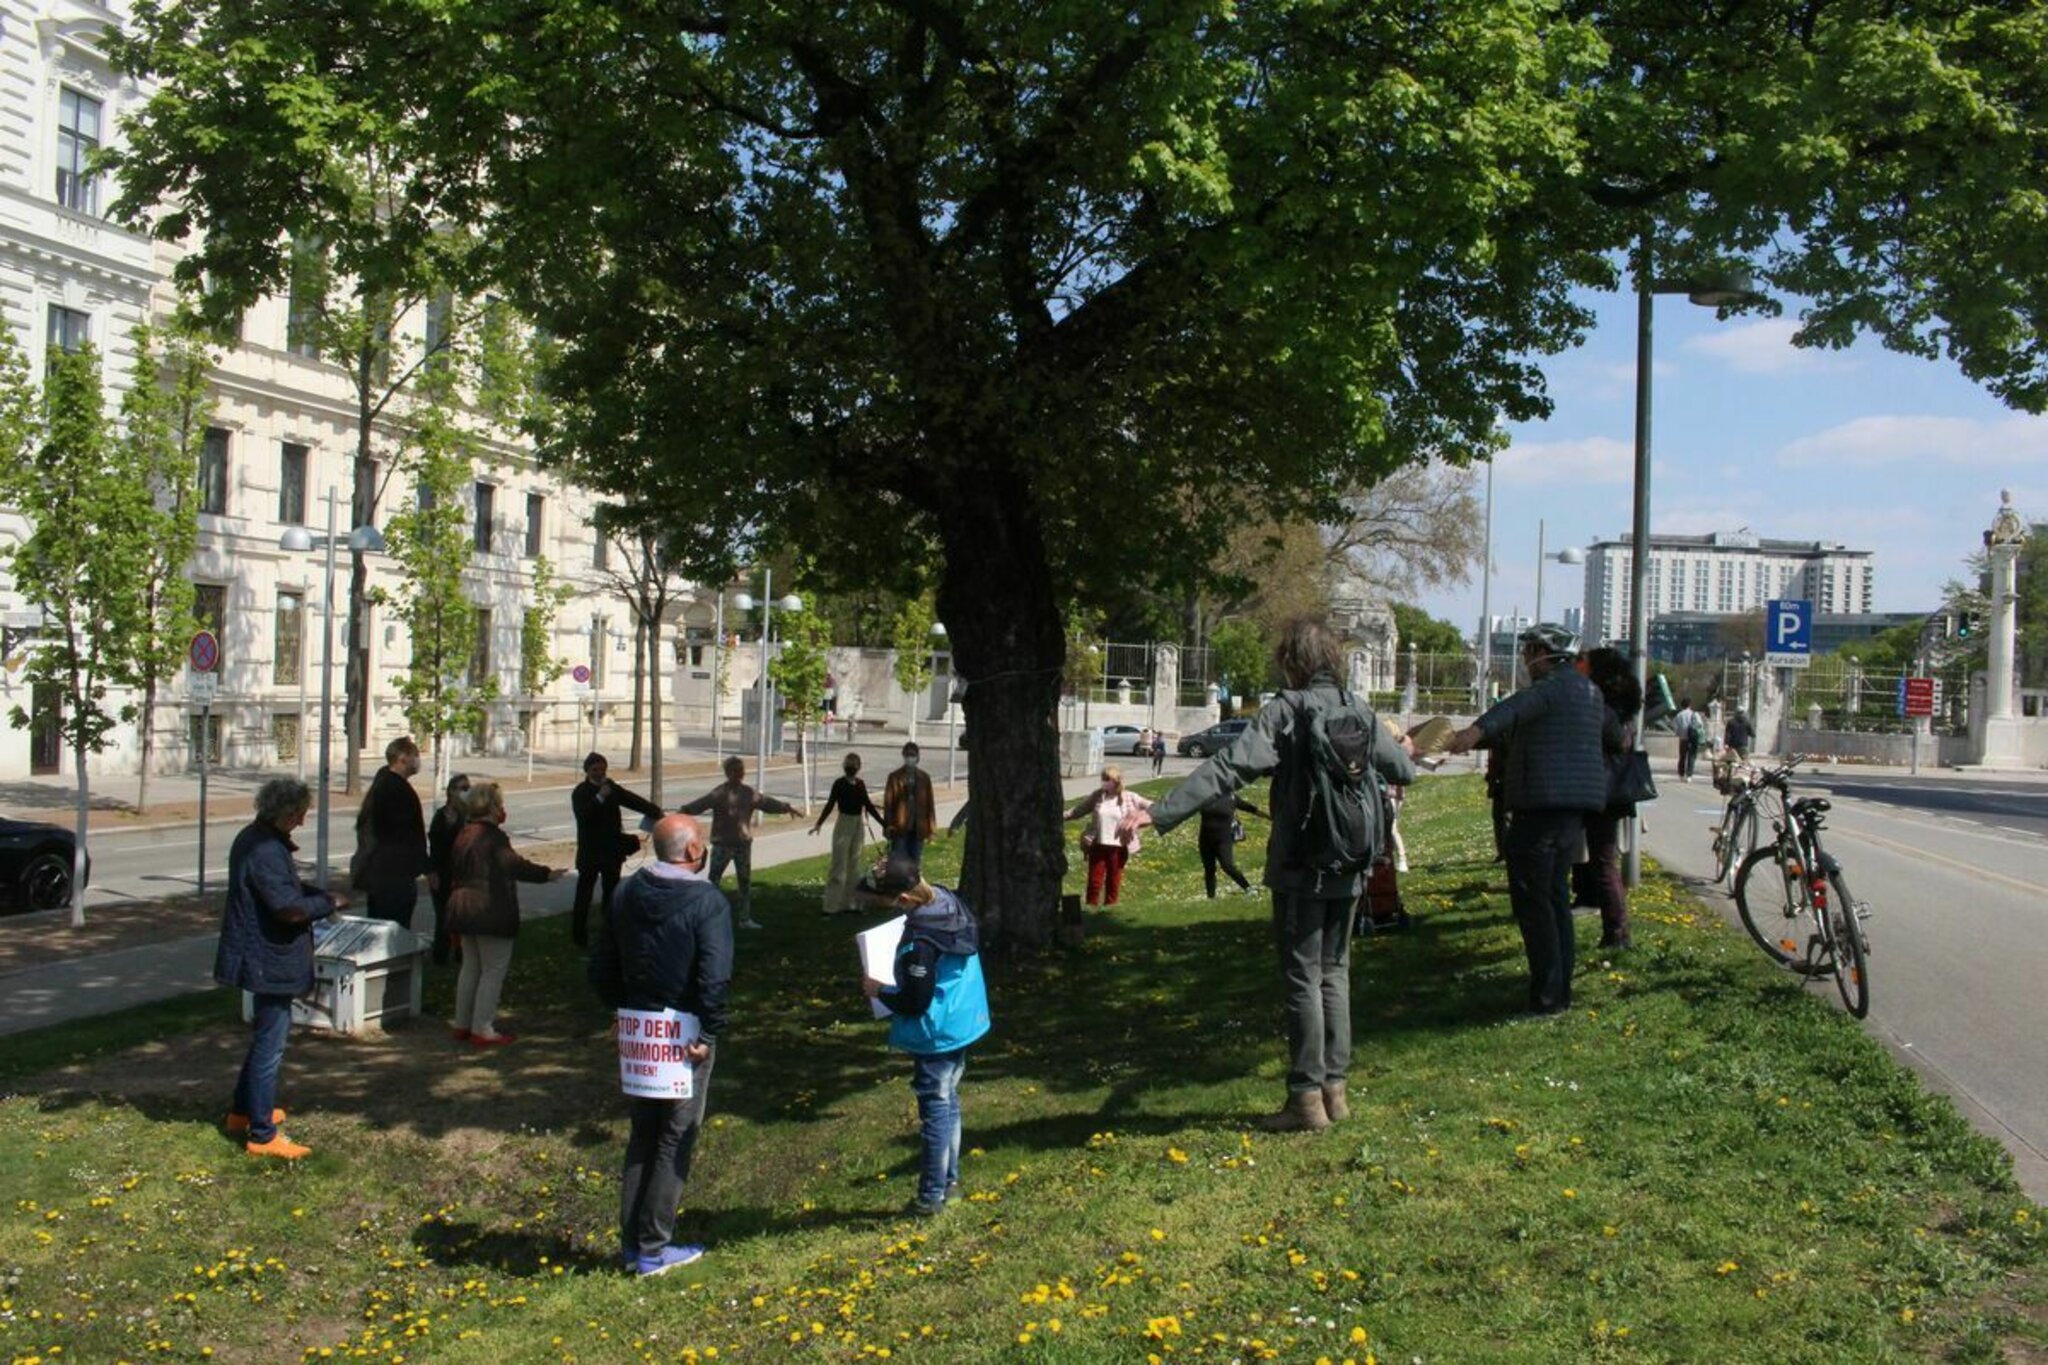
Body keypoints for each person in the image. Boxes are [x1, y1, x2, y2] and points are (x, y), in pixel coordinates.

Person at [1150, 616, 1415, 1132]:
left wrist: (1161, 812)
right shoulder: (1357, 708)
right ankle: (1335, 1092)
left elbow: (1228, 769)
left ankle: (1304, 1100)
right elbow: (1401, 770)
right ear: (1334, 661)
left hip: (1301, 864)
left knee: (1303, 977)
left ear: (1292, 661)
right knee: (1335, 972)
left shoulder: (1286, 710)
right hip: (1353, 863)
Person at [590, 814, 733, 1277]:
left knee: (643, 1135)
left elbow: (601, 963)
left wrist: (620, 1010)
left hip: (640, 1031)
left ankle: (634, 1245)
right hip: (684, 1033)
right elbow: (715, 976)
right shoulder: (707, 901)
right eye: (703, 844)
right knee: (675, 1135)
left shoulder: (625, 892)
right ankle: (653, 1248)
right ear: (692, 852)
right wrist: (709, 1034)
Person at [1445, 624, 1609, 1017]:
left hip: (1541, 805)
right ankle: (1559, 992)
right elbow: (1612, 733)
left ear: (1542, 652)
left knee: (1534, 902)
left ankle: (1547, 998)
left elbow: (1513, 709)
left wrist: (1473, 732)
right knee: (1554, 898)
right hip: (1574, 809)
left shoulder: (1550, 687)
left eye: (1528, 651)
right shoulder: (1590, 692)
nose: (1524, 660)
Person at [213, 777, 346, 1159]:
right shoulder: (266, 849)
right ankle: (262, 1133)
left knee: (264, 1039)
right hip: (267, 956)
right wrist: (327, 903)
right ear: (285, 814)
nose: (302, 823)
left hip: (263, 954)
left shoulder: (256, 838)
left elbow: (286, 890)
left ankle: (243, 1111)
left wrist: (316, 896)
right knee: (271, 1045)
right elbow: (286, 908)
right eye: (300, 815)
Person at [860, 853, 992, 1216]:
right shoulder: (947, 901)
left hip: (937, 1031)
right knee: (948, 1101)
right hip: (961, 1020)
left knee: (935, 1108)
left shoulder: (922, 938)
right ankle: (949, 1182)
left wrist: (879, 990)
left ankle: (931, 1196)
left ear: (904, 900)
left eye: (886, 902)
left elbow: (914, 1000)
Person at [445, 780, 566, 1045]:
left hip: (463, 907)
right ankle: (483, 1028)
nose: (502, 809)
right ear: (490, 807)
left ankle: (463, 1023)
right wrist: (546, 874)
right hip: (489, 909)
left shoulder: (464, 834)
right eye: (499, 804)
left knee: (470, 968)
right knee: (492, 971)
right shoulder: (492, 837)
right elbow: (513, 865)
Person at [678, 757, 800, 930]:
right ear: (728, 773)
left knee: (744, 882)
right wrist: (683, 811)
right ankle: (706, 917)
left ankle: (744, 919)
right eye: (735, 770)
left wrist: (786, 807)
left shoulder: (748, 793)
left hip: (742, 845)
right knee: (713, 882)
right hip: (722, 845)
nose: (740, 773)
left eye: (741, 770)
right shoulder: (719, 793)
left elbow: (766, 803)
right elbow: (700, 804)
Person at [1580, 648, 1643, 951]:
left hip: (1604, 790)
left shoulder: (1604, 708)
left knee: (1604, 862)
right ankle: (1616, 930)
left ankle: (1617, 933)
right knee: (1604, 860)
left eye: (1586, 665)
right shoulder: (1623, 706)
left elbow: (1614, 741)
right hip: (1612, 789)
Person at [571, 752, 666, 948]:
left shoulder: (611, 787)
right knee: (584, 895)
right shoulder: (580, 792)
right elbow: (584, 816)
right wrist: (599, 798)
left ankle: (609, 932)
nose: (599, 773)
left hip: (611, 852)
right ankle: (579, 935)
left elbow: (631, 799)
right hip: (590, 853)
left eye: (602, 769)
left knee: (611, 894)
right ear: (587, 771)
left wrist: (654, 811)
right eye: (595, 769)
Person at [357, 735, 429, 928]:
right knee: (392, 932)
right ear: (403, 758)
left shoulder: (384, 784)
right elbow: (406, 835)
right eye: (415, 755)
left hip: (384, 875)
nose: (418, 761)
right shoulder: (395, 790)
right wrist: (425, 865)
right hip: (393, 877)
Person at [1064, 765, 1155, 908]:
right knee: (1094, 881)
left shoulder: (1130, 797)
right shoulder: (1098, 796)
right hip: (1097, 844)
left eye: (1108, 779)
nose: (1104, 782)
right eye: (1103, 779)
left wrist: (1142, 818)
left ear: (1116, 781)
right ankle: (1091, 907)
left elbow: (1153, 807)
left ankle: (1110, 907)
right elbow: (1078, 811)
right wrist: (1060, 816)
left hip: (1118, 847)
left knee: (1113, 880)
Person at [811, 752, 884, 915]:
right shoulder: (839, 784)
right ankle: (830, 906)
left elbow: (869, 806)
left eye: (854, 765)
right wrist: (819, 823)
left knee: (854, 865)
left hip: (857, 824)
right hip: (843, 823)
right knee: (838, 866)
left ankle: (851, 904)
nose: (851, 768)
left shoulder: (860, 785)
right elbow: (830, 804)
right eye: (849, 765)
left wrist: (884, 824)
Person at [426, 773, 470, 967]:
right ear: (451, 792)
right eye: (463, 788)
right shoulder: (443, 816)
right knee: (444, 917)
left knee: (463, 917)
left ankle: (462, 954)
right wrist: (432, 872)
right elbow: (435, 847)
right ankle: (440, 956)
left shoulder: (468, 815)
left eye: (468, 788)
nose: (466, 792)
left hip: (463, 875)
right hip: (444, 874)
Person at [1196, 790, 1263, 898]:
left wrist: (1270, 817)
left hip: (1223, 840)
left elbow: (1250, 808)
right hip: (1205, 839)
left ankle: (1248, 888)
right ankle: (1211, 898)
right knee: (1209, 869)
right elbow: (1184, 809)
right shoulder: (1204, 797)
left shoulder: (1231, 797)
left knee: (1228, 866)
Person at [882, 742, 937, 864]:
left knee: (915, 862)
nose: (910, 758)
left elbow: (930, 805)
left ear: (917, 757)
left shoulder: (924, 778)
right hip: (900, 827)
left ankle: (914, 883)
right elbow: (888, 804)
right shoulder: (894, 777)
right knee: (899, 863)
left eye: (912, 755)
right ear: (903, 756)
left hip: (919, 828)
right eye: (907, 755)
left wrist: (931, 829)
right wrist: (888, 826)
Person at [1673, 697, 1701, 783]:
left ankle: (1681, 775)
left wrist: (1679, 733)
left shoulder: (1679, 715)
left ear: (1682, 705)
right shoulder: (1694, 714)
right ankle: (1689, 775)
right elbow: (1700, 725)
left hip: (1683, 739)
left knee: (1682, 757)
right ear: (1690, 705)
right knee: (1691, 757)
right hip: (1693, 739)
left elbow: (1675, 726)